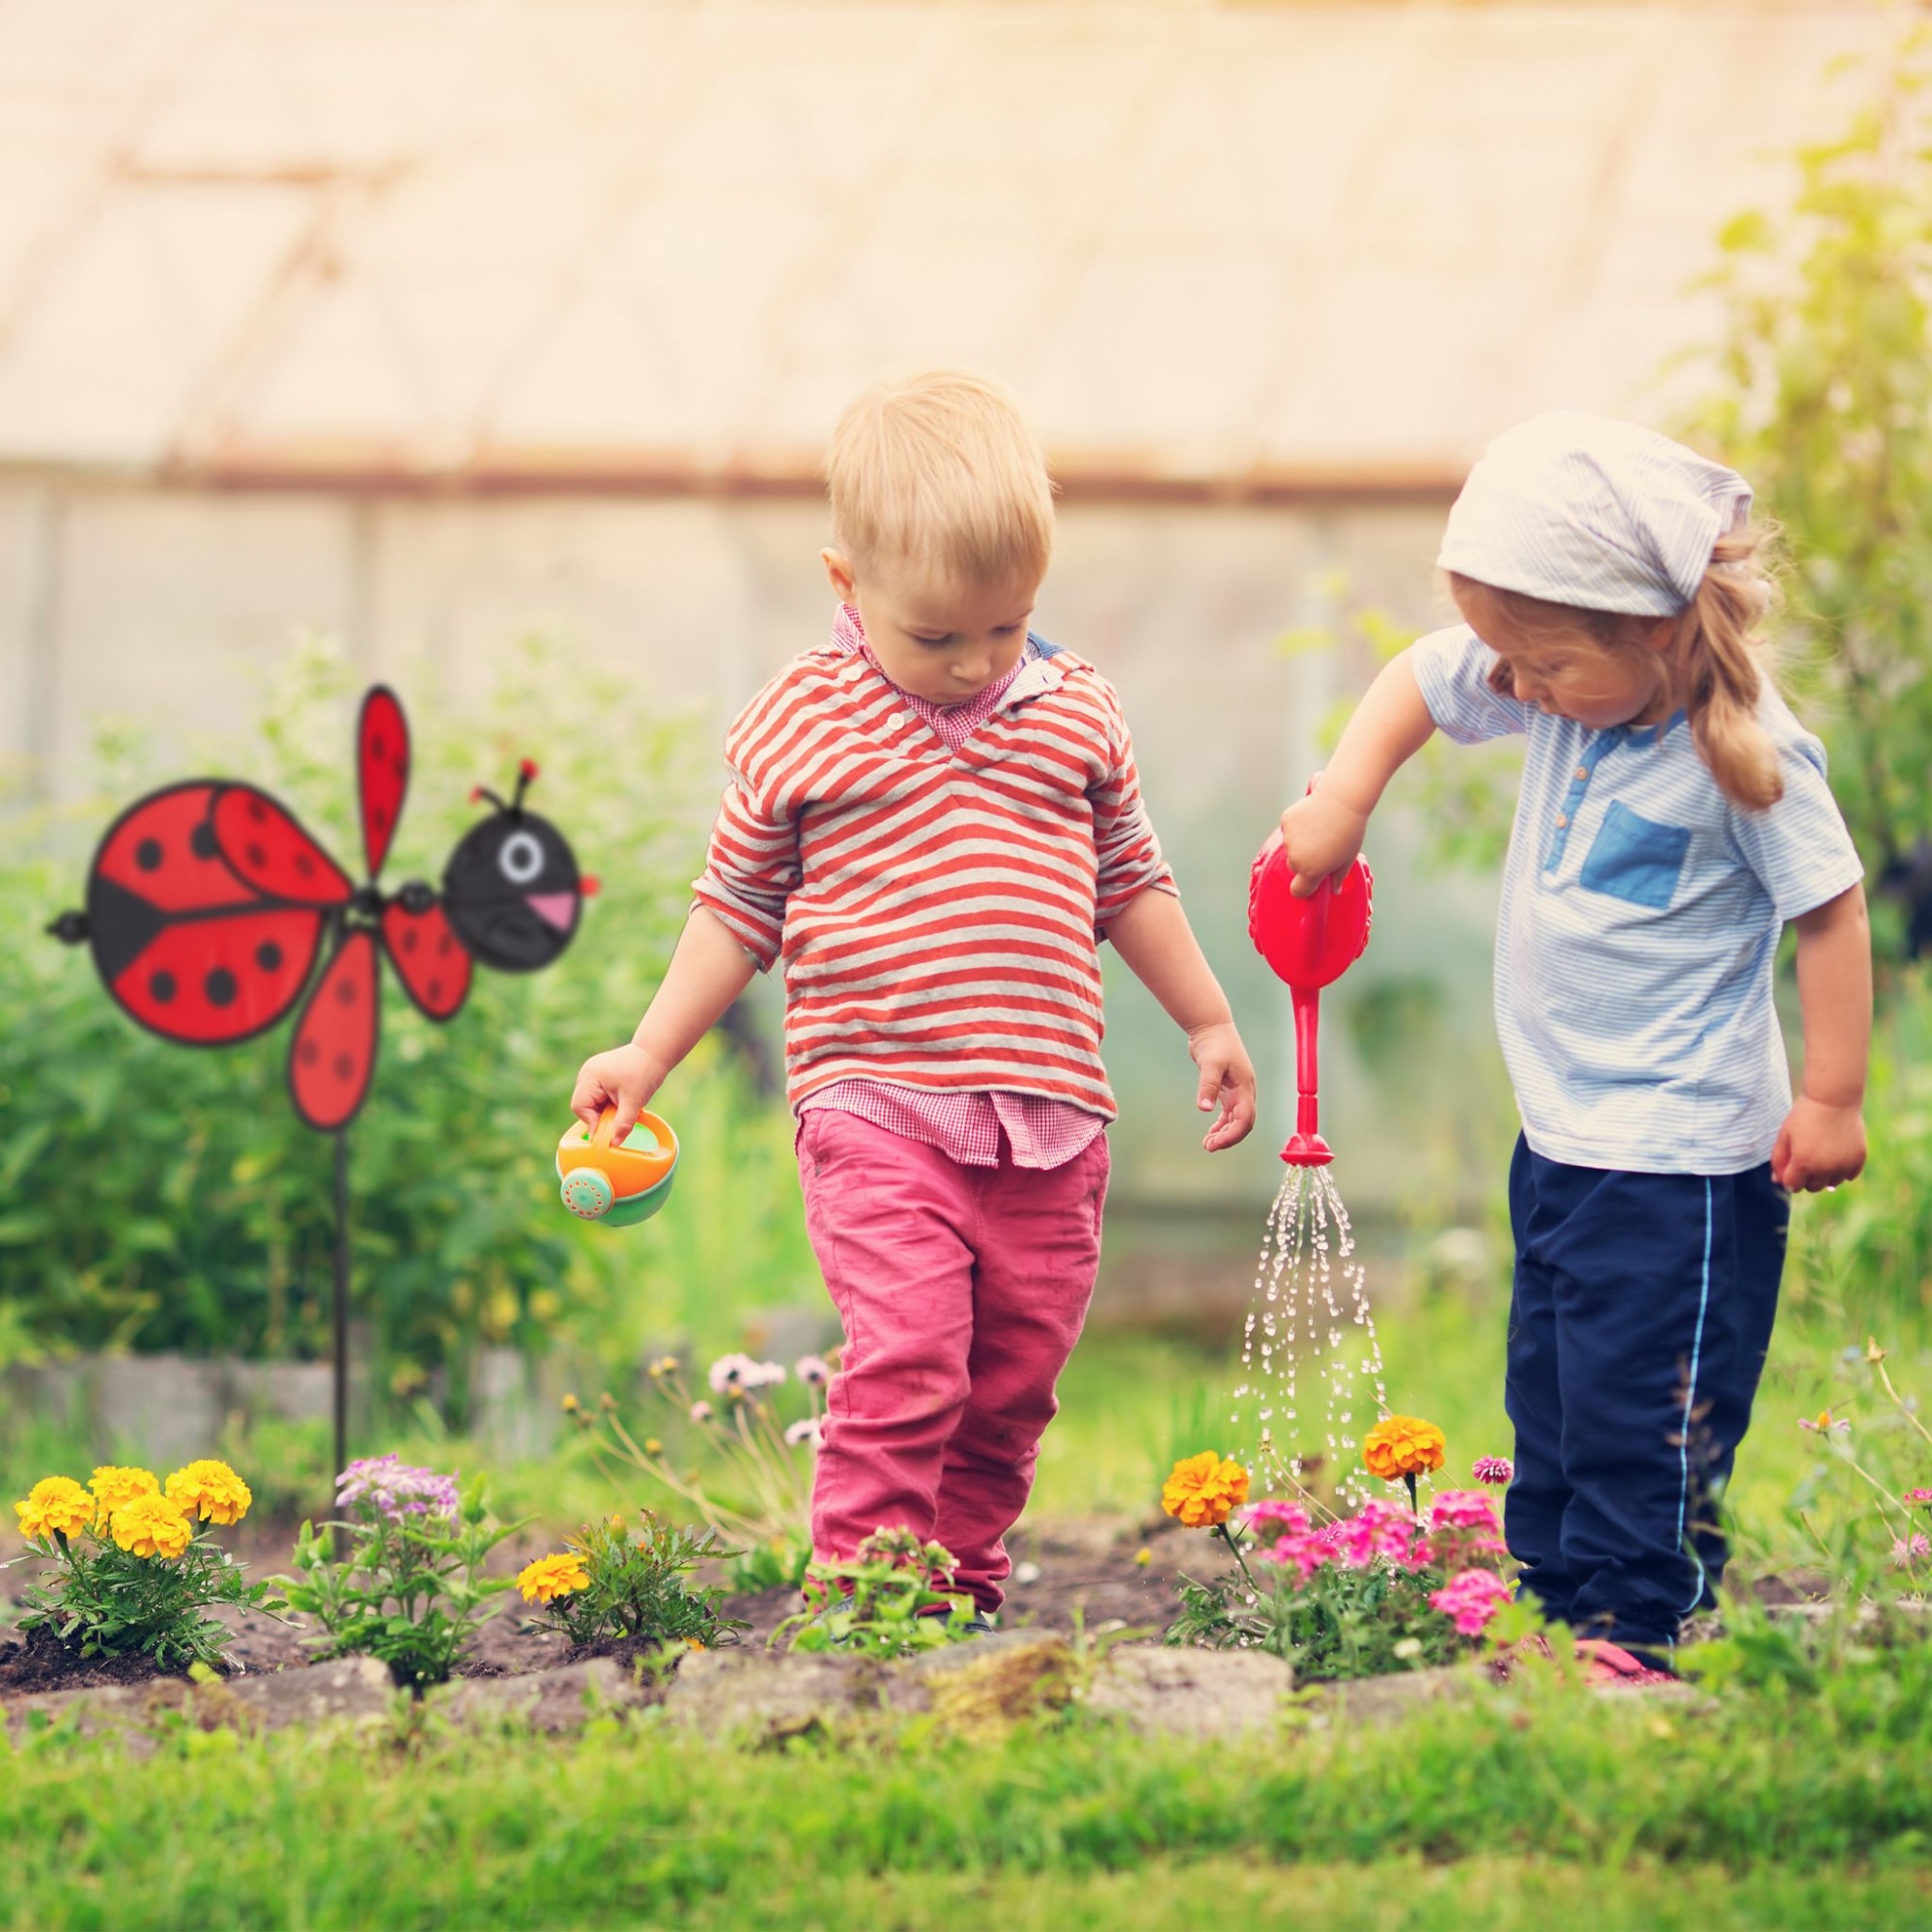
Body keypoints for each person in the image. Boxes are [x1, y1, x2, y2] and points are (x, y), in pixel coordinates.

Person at [572, 370, 1257, 1622]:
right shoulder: (805, 722)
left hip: (1050, 1117)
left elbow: (1133, 883)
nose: (974, 664)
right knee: (912, 1350)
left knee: (1010, 1380)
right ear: (848, 585)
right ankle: (864, 1592)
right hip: (875, 1102)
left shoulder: (1075, 716)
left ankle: (960, 1585)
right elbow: (735, 910)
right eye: (935, 637)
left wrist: (1207, 1017)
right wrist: (651, 1051)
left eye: (1005, 629)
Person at [1277, 412, 1870, 1674]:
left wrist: (1832, 1095)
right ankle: (1558, 1591)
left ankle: (1638, 1620)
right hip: (1566, 1135)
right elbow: (1416, 682)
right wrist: (1340, 801)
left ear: (1651, 627)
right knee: (1551, 1380)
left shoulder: (1750, 753)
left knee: (1644, 1400)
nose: (1516, 685)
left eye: (1541, 662)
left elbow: (1831, 910)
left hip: (1683, 1154)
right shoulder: (1558, 687)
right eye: (1511, 658)